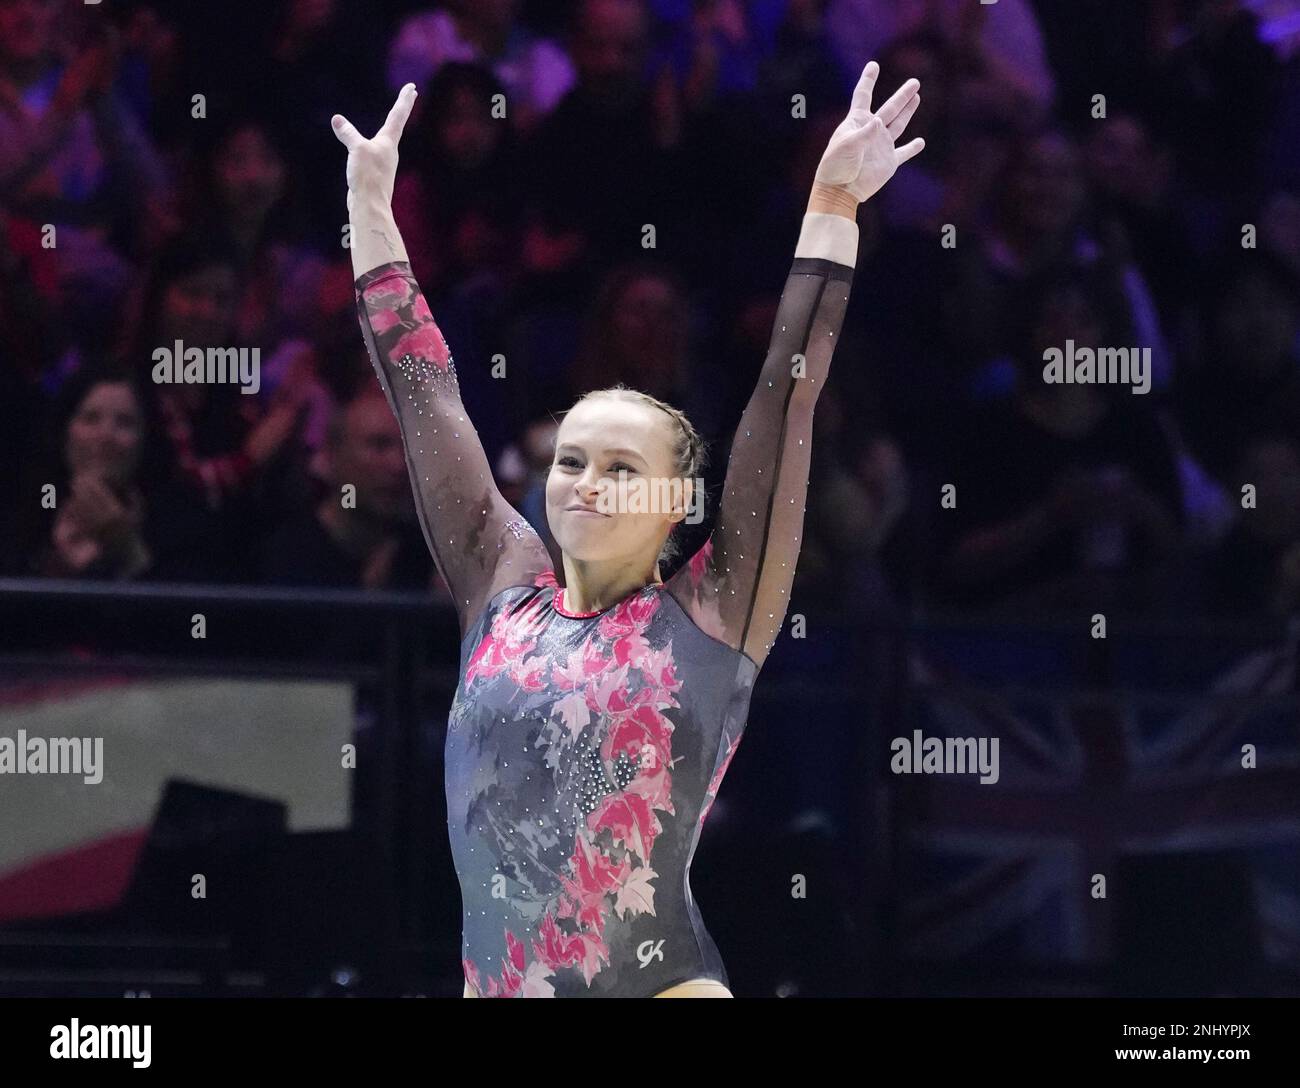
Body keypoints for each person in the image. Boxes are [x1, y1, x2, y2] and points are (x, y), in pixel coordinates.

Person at [331, 61, 924, 997]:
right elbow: (423, 394)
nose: (586, 485)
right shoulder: (500, 589)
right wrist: (372, 215)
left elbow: (788, 390)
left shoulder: (714, 616)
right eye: (571, 462)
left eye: (620, 469)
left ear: (678, 503)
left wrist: (833, 204)